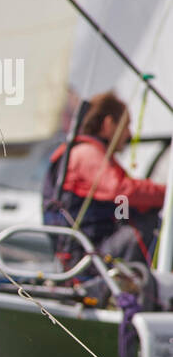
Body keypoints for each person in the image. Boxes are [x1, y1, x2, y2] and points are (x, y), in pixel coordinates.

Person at [43, 92, 165, 267]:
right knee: (147, 227)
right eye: (126, 126)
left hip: (95, 250)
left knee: (150, 219)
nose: (129, 134)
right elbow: (122, 190)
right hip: (87, 256)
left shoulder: (93, 154)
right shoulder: (86, 154)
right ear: (108, 124)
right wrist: (167, 194)